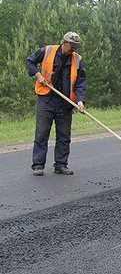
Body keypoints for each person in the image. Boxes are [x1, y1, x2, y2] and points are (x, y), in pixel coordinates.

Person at [26, 32, 86, 176]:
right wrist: (37, 74)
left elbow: (81, 82)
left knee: (64, 136)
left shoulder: (77, 59)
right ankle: (38, 165)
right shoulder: (47, 51)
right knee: (42, 133)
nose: (74, 50)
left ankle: (61, 165)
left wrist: (80, 101)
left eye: (75, 47)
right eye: (72, 46)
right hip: (46, 99)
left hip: (65, 102)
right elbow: (30, 61)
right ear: (64, 43)